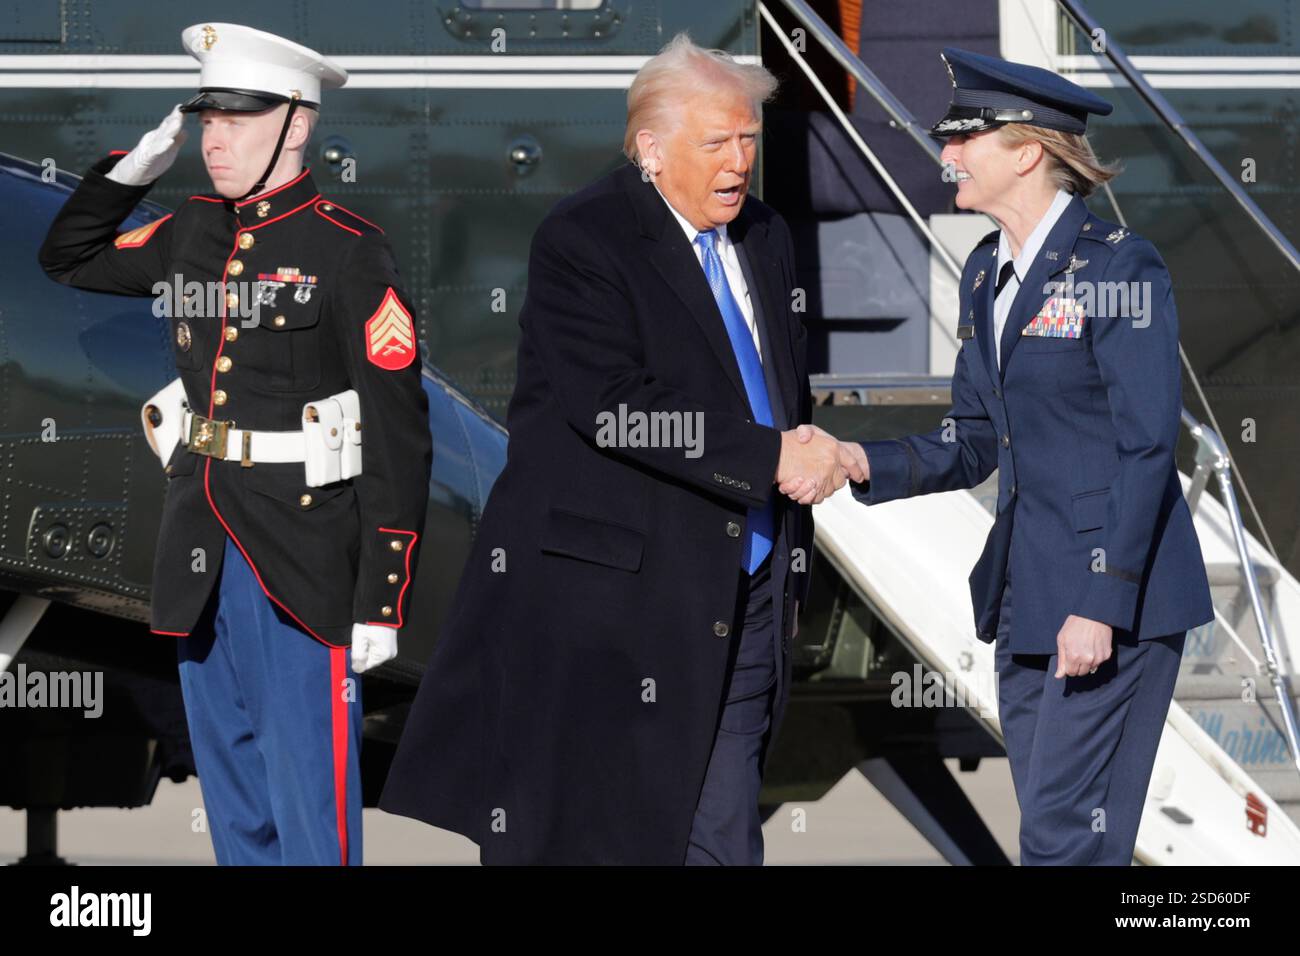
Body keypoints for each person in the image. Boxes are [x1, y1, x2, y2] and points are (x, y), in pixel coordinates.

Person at [379, 33, 862, 865]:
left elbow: (778, 386)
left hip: (739, 591)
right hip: (615, 606)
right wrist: (769, 457)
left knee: (722, 832)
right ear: (649, 147)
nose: (739, 160)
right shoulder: (584, 240)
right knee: (590, 836)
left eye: (749, 137)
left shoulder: (766, 235)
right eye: (715, 142)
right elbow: (614, 409)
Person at [794, 47, 1213, 864]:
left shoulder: (1119, 269)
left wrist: (1099, 602)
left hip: (1108, 606)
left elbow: (1145, 446)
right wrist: (857, 460)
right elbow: (976, 438)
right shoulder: (989, 273)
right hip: (1025, 602)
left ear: (1027, 151)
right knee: (1059, 835)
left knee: (1063, 839)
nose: (945, 154)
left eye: (964, 139)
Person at [39, 22, 432, 865]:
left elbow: (398, 435)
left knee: (310, 816)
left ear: (295, 124)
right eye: (206, 120)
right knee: (234, 811)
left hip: (302, 554)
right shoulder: (192, 229)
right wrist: (128, 173)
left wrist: (383, 596)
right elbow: (67, 257)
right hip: (202, 544)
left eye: (238, 120)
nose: (214, 139)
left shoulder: (349, 251)